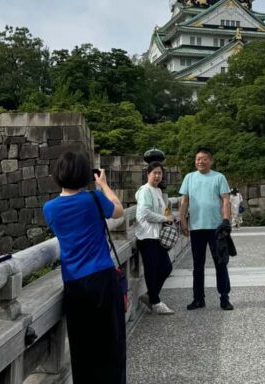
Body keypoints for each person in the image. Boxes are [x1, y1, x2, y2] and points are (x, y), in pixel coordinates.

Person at [42, 151, 126, 384]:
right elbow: (118, 210)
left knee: (82, 347)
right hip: (102, 278)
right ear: (85, 174)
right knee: (111, 344)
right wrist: (104, 185)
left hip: (74, 284)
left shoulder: (49, 208)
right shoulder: (93, 199)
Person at [179, 147, 234, 311]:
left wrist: (226, 220)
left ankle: (224, 298)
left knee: (220, 262)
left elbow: (225, 199)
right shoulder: (189, 177)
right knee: (198, 265)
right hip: (196, 227)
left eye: (204, 159)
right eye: (197, 159)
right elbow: (184, 201)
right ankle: (198, 298)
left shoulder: (219, 177)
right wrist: (182, 220)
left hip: (216, 228)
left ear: (210, 160)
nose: (200, 162)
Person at [135, 161, 175, 315]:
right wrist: (164, 219)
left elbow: (163, 210)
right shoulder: (145, 191)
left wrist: (168, 217)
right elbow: (143, 214)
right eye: (154, 173)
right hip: (146, 236)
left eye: (159, 173)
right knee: (152, 270)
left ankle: (150, 296)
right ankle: (156, 302)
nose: (157, 176)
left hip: (157, 236)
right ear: (148, 174)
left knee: (166, 267)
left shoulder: (157, 191)